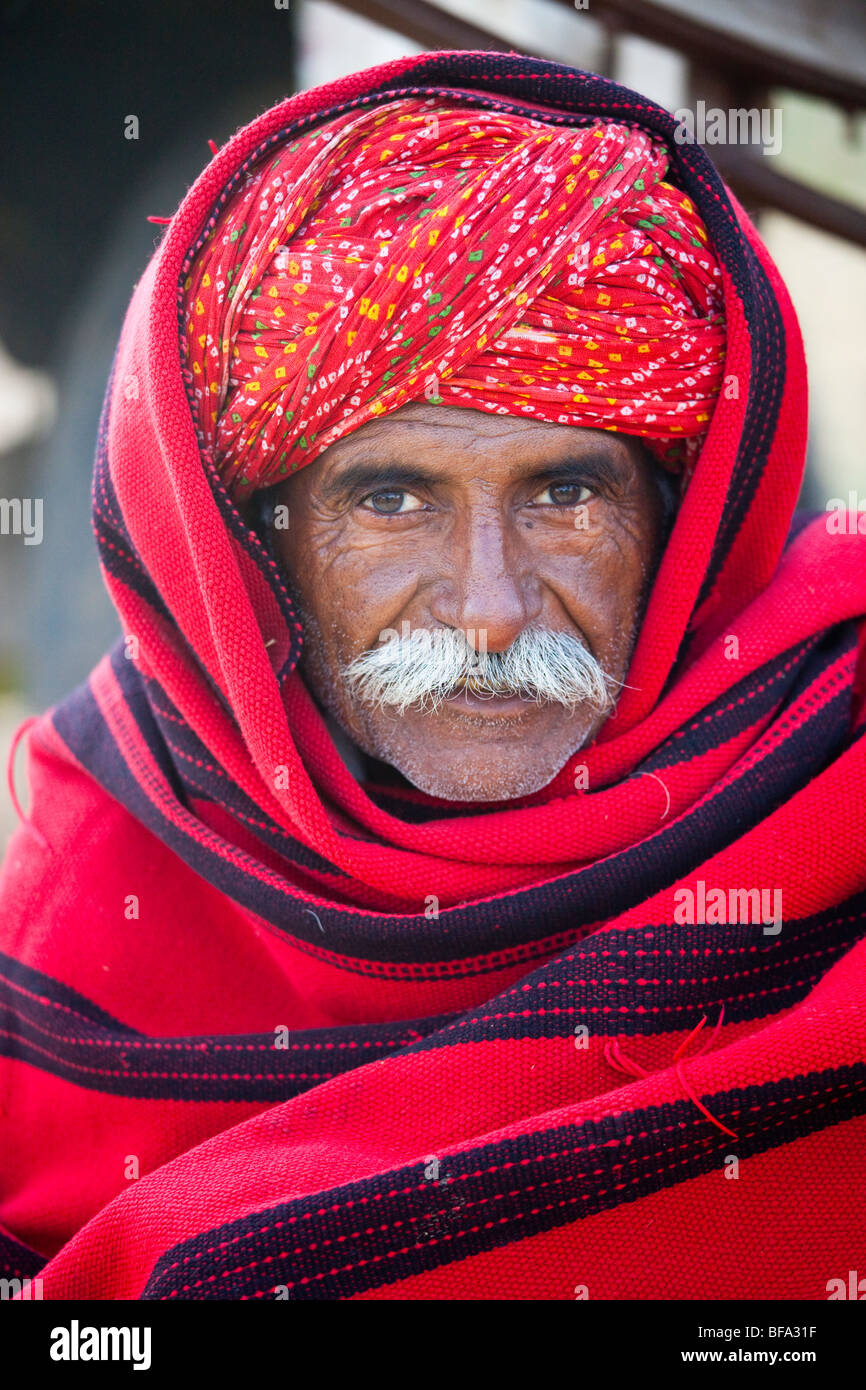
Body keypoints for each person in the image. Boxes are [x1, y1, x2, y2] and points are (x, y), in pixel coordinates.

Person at [1, 51, 864, 1302]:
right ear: (255, 543)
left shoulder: (826, 779)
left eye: (565, 494)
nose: (490, 610)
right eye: (391, 499)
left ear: (682, 522)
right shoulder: (99, 872)